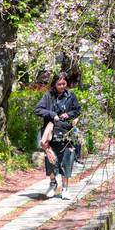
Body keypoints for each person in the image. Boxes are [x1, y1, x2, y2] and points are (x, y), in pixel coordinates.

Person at [35, 72, 82, 200]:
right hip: (51, 133)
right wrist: (51, 114)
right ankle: (53, 183)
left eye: (64, 83)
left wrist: (68, 115)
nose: (62, 86)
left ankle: (65, 188)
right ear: (54, 84)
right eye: (59, 84)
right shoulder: (48, 96)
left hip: (66, 132)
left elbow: (78, 110)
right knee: (51, 159)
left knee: (67, 159)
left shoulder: (71, 95)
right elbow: (38, 110)